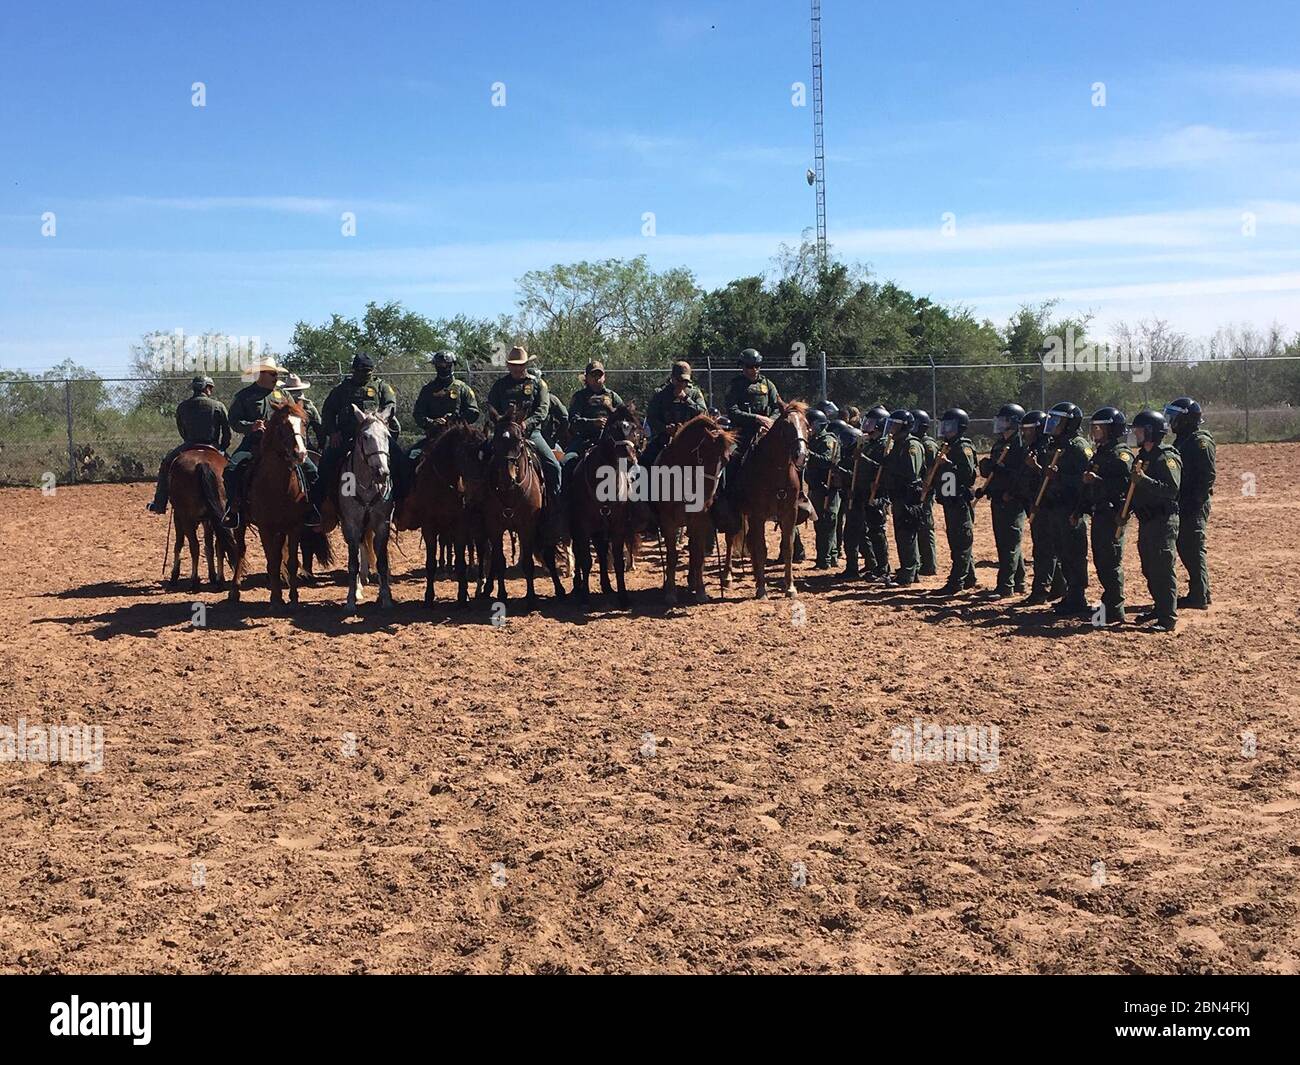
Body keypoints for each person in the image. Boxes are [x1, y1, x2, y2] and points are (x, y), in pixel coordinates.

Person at [308, 352, 399, 526]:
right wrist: (333, 432)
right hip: (347, 438)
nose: (364, 374)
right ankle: (326, 508)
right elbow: (328, 412)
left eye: (368, 371)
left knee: (401, 463)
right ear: (353, 370)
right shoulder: (341, 390)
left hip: (376, 439)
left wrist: (381, 416)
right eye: (360, 370)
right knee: (326, 465)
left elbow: (390, 404)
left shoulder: (382, 387)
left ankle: (399, 506)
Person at [1030, 401, 1091, 615]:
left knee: (1074, 553)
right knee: (1062, 552)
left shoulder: (1077, 445)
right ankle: (1068, 594)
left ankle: (1078, 596)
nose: (1054, 425)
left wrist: (1061, 477)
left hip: (1070, 506)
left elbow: (1085, 478)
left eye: (1059, 421)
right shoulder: (1054, 444)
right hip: (1055, 506)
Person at [222, 359, 293, 527]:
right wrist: (251, 426)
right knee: (231, 469)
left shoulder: (283, 395)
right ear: (261, 374)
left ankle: (312, 508)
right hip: (254, 443)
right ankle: (234, 510)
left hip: (283, 445)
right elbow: (233, 420)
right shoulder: (244, 396)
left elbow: (295, 413)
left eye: (277, 375)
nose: (276, 377)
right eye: (273, 374)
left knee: (310, 467)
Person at [1080, 407, 1135, 625]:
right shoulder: (1100, 453)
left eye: (1099, 428)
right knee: (1102, 560)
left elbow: (1124, 486)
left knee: (1111, 561)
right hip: (1099, 512)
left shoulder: (1121, 454)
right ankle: (1109, 602)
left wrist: (1098, 480)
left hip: (1112, 514)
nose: (1095, 432)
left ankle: (1115, 607)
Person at [1129, 410, 1182, 632]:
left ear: (1151, 432)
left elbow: (1171, 489)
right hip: (1147, 520)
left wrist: (1145, 480)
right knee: (1149, 567)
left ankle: (1167, 617)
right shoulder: (1142, 456)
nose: (1136, 434)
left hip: (1163, 520)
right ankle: (1158, 607)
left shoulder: (1166, 457)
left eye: (1139, 430)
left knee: (1163, 568)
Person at [484, 345, 561, 501]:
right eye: (513, 364)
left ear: (526, 365)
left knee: (554, 466)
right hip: (505, 434)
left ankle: (555, 505)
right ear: (508, 365)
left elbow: (542, 409)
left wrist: (527, 423)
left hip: (532, 434)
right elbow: (491, 407)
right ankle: (479, 506)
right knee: (481, 459)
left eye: (520, 364)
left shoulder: (538, 384)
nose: (517, 368)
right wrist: (501, 422)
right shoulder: (500, 386)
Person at [146, 375, 231, 514]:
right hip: (213, 446)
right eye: (210, 387)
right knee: (234, 469)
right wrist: (223, 447)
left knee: (166, 464)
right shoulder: (218, 406)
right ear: (207, 388)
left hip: (189, 445)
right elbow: (227, 432)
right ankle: (236, 503)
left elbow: (182, 429)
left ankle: (160, 503)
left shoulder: (183, 406)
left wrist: (189, 441)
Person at [1165, 396, 1215, 609]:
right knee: (1185, 547)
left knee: (1193, 548)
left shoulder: (1199, 441)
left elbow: (1207, 476)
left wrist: (1194, 502)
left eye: (1175, 417)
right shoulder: (1183, 440)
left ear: (1186, 419)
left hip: (1193, 504)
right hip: (1184, 501)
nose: (1171, 421)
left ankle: (1199, 595)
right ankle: (1200, 591)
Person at [978, 403, 1027, 598]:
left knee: (1010, 543)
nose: (999, 423)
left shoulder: (1019, 444)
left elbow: (1021, 474)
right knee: (1006, 542)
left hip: (1011, 499)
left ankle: (1005, 585)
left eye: (1004, 420)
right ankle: (1019, 581)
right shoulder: (999, 444)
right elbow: (994, 474)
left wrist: (1009, 486)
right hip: (997, 497)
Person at [1018, 410, 1065, 605]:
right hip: (1034, 503)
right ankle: (1057, 587)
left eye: (1029, 430)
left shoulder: (1045, 449)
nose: (1025, 434)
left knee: (1045, 549)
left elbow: (1048, 478)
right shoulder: (1030, 449)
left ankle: (1041, 590)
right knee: (1046, 548)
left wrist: (1035, 466)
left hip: (1046, 504)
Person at [931, 408, 978, 595]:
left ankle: (956, 581)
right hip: (949, 500)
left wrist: (948, 463)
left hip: (959, 500)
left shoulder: (963, 447)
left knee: (961, 542)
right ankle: (969, 577)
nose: (945, 429)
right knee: (956, 541)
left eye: (950, 426)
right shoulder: (947, 446)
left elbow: (969, 475)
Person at [563, 360, 624, 485]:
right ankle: (564, 501)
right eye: (593, 375)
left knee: (632, 463)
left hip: (609, 441)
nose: (597, 379)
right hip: (583, 440)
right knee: (566, 463)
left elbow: (625, 417)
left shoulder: (612, 396)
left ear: (604, 377)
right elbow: (573, 420)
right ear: (587, 378)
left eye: (599, 375)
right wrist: (593, 423)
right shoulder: (579, 397)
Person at [883, 408, 924, 585]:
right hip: (898, 495)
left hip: (908, 496)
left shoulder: (911, 445)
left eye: (895, 425)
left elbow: (911, 472)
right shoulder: (898, 444)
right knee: (902, 535)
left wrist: (891, 464)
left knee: (907, 535)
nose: (891, 428)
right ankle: (909, 570)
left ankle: (908, 573)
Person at [645, 361, 708, 466]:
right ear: (673, 378)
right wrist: (665, 428)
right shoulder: (661, 394)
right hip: (665, 439)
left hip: (690, 440)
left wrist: (686, 399)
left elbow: (703, 413)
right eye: (679, 380)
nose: (682, 384)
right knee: (646, 461)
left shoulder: (694, 394)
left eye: (685, 381)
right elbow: (651, 417)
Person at [805, 409, 842, 569]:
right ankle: (829, 556)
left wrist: (809, 454)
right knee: (820, 524)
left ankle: (825, 559)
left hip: (827, 488)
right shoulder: (813, 439)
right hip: (816, 487)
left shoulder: (827, 440)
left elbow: (828, 461)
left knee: (827, 523)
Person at [911, 409, 940, 576]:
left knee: (925, 526)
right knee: (917, 526)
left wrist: (927, 486)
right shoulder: (915, 441)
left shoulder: (928, 444)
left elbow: (933, 468)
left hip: (926, 491)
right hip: (917, 490)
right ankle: (920, 561)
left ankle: (929, 564)